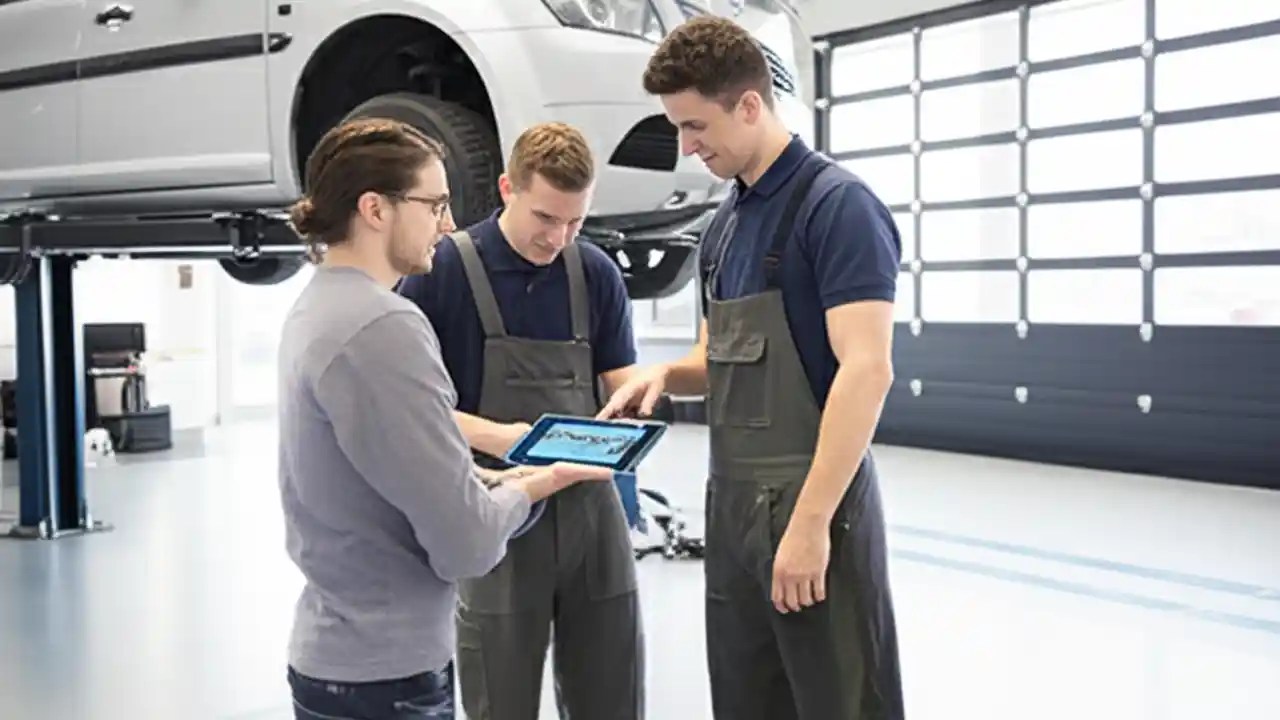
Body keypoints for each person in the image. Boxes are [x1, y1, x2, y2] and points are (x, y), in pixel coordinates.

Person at [598, 15, 906, 720]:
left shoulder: (837, 208)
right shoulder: (724, 226)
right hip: (732, 507)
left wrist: (811, 523)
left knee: (839, 698)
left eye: (695, 125)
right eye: (678, 127)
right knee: (746, 700)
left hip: (813, 502)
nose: (686, 146)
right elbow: (716, 356)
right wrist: (663, 377)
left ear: (748, 104)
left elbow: (867, 370)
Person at [275, 116, 613, 720]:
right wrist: (534, 487)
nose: (449, 223)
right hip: (387, 676)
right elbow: (468, 544)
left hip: (333, 656)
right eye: (435, 204)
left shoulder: (317, 308)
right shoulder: (385, 325)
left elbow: (383, 468)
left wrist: (490, 477)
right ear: (375, 209)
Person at [397, 121, 644, 720]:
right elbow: (407, 410)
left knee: (612, 690)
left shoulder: (596, 273)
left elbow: (621, 383)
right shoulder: (443, 272)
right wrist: (509, 441)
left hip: (592, 516)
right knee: (499, 696)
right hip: (493, 516)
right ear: (508, 188)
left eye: (575, 222)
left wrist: (635, 402)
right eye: (546, 218)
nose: (558, 238)